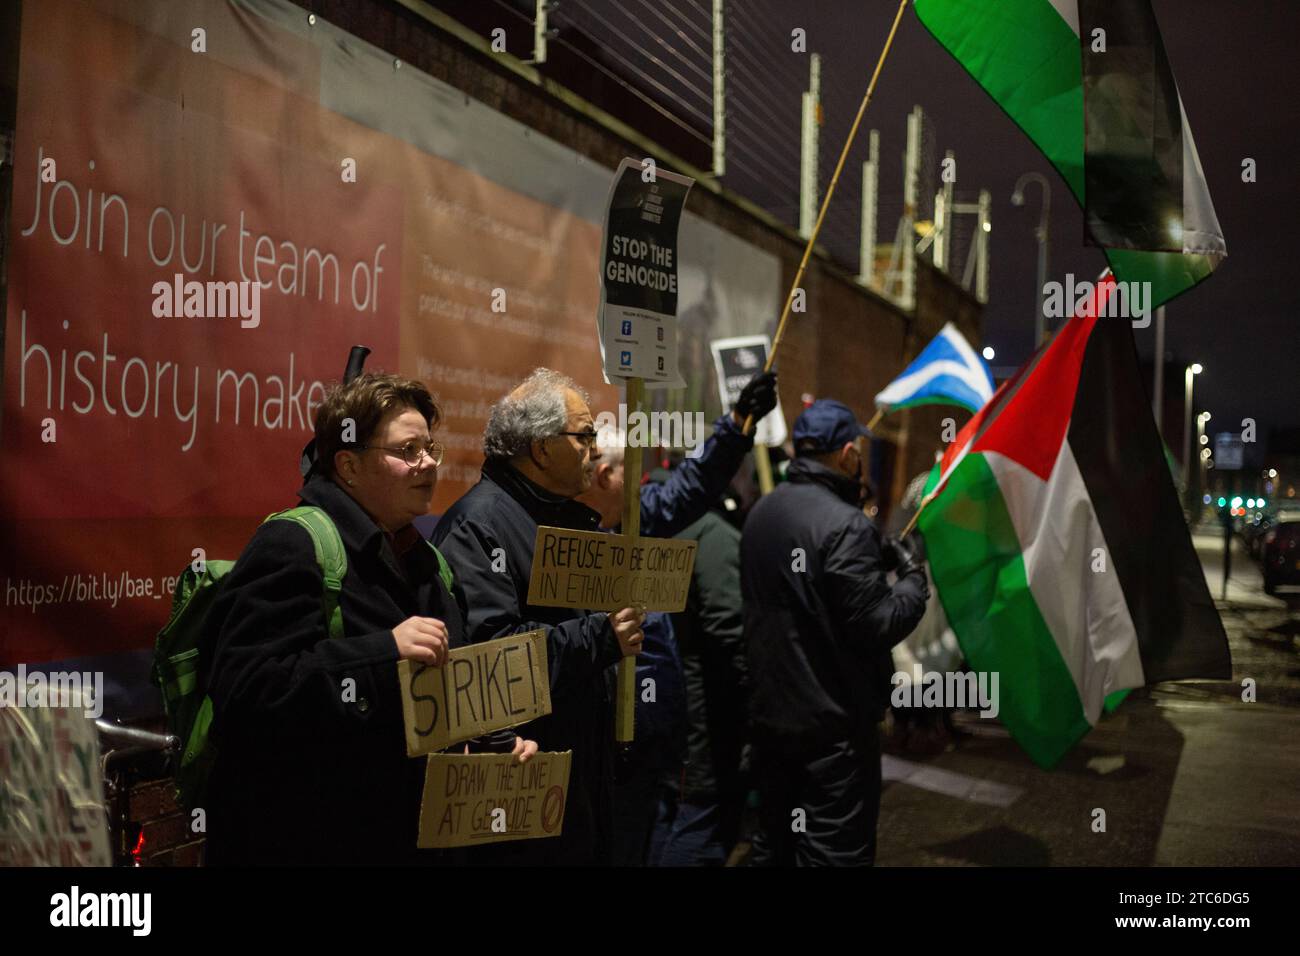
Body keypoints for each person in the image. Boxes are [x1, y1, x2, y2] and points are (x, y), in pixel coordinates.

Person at [432, 367, 777, 864]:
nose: (595, 449)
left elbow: (678, 497)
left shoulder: (568, 516)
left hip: (587, 773)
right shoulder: (481, 524)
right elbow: (494, 661)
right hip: (524, 782)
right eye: (584, 435)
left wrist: (736, 426)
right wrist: (601, 635)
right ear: (543, 448)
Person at [201, 372, 537, 866]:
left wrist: (491, 750)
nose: (426, 464)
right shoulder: (294, 545)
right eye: (407, 451)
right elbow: (248, 689)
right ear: (349, 465)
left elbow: (444, 699)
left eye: (429, 448)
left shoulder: (427, 561)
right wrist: (385, 651)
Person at [740, 399, 928, 866]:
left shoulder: (762, 513)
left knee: (774, 847)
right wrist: (912, 583)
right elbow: (877, 623)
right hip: (833, 735)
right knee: (832, 854)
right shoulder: (845, 525)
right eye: (857, 449)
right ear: (845, 454)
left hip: (772, 724)